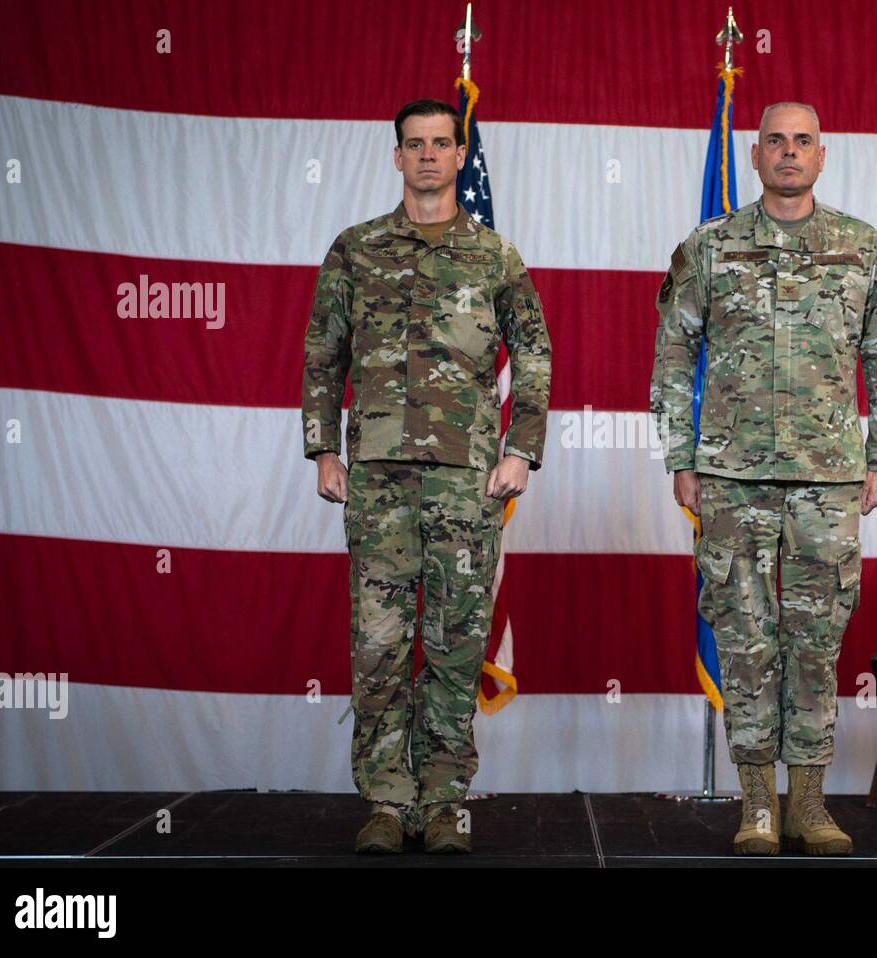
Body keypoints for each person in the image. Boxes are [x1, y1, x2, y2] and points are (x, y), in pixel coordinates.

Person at [649, 101, 877, 855]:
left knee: (816, 642)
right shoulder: (710, 247)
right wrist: (681, 457)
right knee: (744, 640)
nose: (789, 152)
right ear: (756, 155)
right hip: (731, 478)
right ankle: (758, 805)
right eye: (775, 140)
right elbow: (673, 358)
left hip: (828, 481)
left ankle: (810, 804)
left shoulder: (861, 248)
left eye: (803, 141)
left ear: (822, 156)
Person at [301, 98, 551, 854]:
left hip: (466, 482)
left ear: (460, 154)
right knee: (379, 648)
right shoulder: (356, 249)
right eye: (415, 144)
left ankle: (442, 802)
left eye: (442, 143)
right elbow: (323, 356)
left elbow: (534, 354)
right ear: (397, 156)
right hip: (377, 481)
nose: (429, 156)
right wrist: (324, 450)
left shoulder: (495, 255)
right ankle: (385, 802)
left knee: (453, 646)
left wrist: (521, 449)